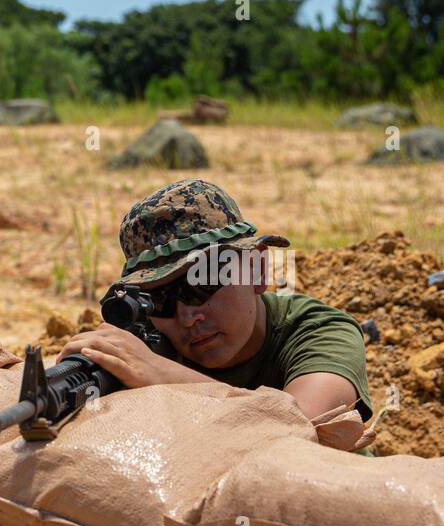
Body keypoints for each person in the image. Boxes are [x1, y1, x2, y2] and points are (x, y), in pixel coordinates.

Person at [59, 179, 374, 431]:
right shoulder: (150, 341)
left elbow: (301, 430)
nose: (186, 317)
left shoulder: (320, 332)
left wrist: (162, 376)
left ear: (256, 269)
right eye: (160, 300)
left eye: (201, 285)